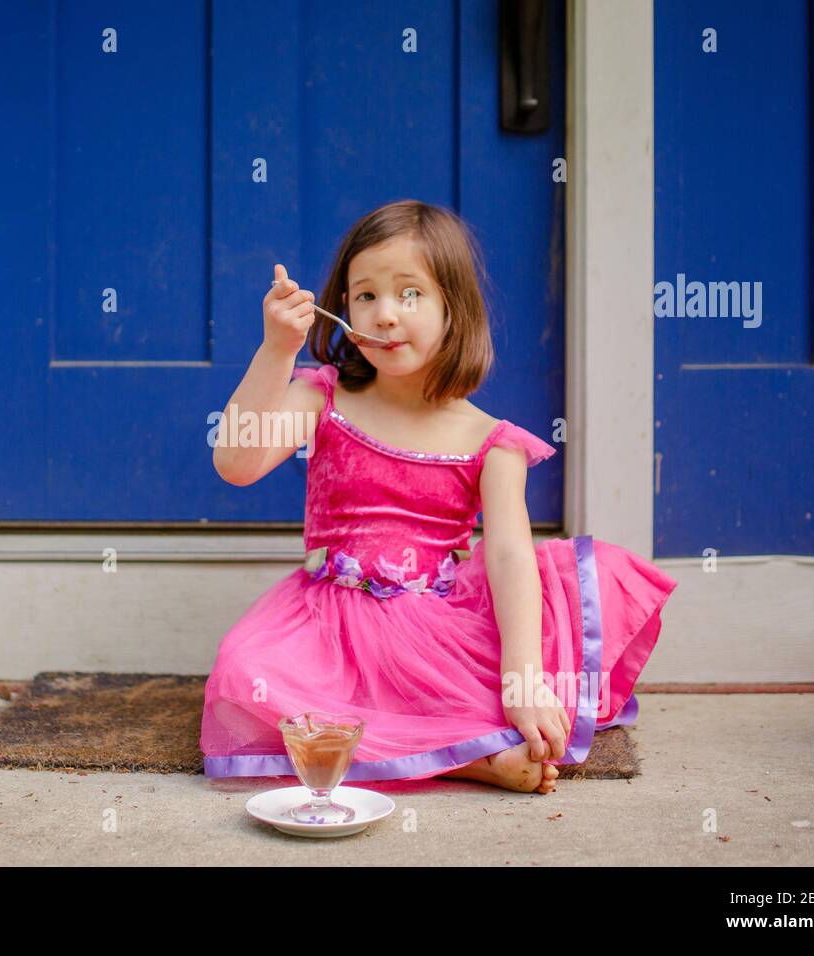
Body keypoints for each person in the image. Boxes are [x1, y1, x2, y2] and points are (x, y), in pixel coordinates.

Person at [201, 199, 677, 794]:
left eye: (410, 294)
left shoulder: (492, 442)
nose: (385, 314)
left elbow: (508, 556)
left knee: (574, 588)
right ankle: (471, 756)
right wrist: (277, 349)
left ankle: (461, 732)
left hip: (438, 620)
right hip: (329, 622)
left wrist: (522, 674)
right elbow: (235, 462)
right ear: (341, 306)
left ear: (454, 309)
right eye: (365, 295)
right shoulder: (321, 397)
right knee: (248, 672)